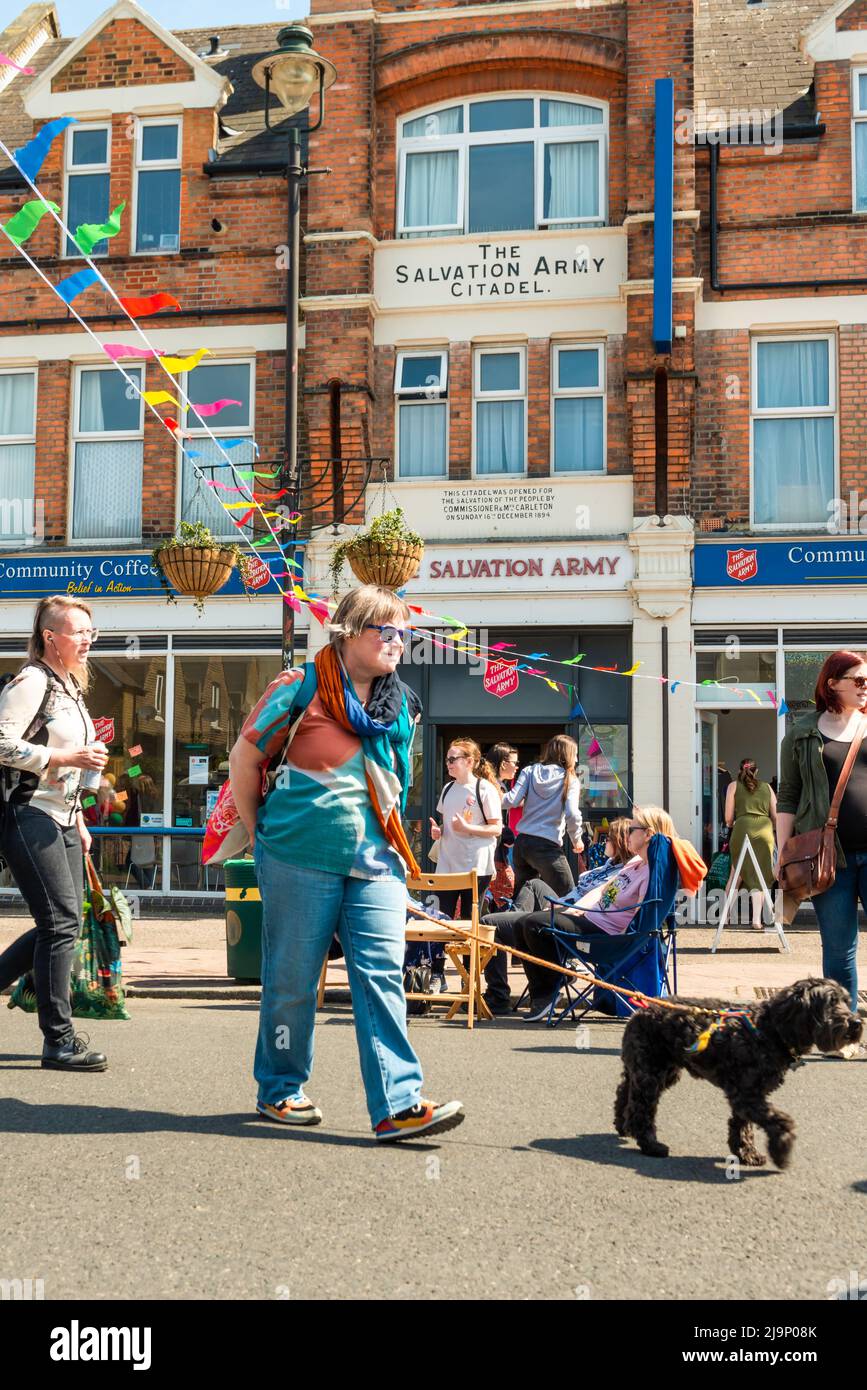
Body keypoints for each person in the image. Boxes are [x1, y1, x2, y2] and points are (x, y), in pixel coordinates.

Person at [229, 584, 465, 1141]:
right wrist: (262, 831)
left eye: (403, 632)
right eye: (385, 630)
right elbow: (245, 756)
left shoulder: (402, 704)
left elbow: (397, 784)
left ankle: (397, 1105)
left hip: (377, 863)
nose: (397, 641)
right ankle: (281, 1089)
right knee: (292, 979)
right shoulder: (298, 687)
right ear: (348, 630)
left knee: (383, 976)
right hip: (296, 857)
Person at [0, 596, 108, 1071]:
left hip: (63, 817)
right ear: (50, 637)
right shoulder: (31, 681)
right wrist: (67, 758)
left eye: (91, 632)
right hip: (27, 813)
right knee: (60, 923)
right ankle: (58, 1042)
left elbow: (72, 768)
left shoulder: (70, 689)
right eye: (78, 632)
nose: (87, 640)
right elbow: (2, 744)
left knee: (63, 923)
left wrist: (81, 818)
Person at [778, 649, 867, 1048]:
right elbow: (789, 795)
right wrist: (784, 852)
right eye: (859, 681)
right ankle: (842, 1034)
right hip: (830, 859)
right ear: (833, 684)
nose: (865, 688)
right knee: (839, 946)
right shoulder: (801, 731)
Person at [511, 807, 673, 1021]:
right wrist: (574, 910)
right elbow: (600, 892)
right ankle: (546, 988)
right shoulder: (634, 863)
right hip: (590, 918)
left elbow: (642, 915)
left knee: (534, 924)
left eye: (632, 829)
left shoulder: (652, 872)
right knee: (523, 922)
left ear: (648, 834)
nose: (627, 834)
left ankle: (547, 991)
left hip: (606, 935)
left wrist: (621, 942)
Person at [481, 816, 633, 1015]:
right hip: (563, 906)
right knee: (534, 884)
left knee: (489, 924)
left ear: (620, 843)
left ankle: (498, 996)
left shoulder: (621, 873)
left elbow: (593, 903)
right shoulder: (607, 866)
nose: (605, 842)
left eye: (609, 839)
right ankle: (516, 919)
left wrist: (558, 909)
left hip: (575, 917)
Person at [501, 733, 582, 899]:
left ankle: (515, 924)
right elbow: (572, 814)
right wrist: (577, 839)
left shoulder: (530, 771)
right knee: (570, 897)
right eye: (575, 754)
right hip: (546, 846)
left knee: (524, 897)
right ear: (568, 755)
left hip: (522, 843)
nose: (577, 759)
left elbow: (511, 800)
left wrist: (482, 796)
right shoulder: (570, 779)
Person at [724, 758, 777, 930]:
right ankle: (756, 920)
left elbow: (728, 819)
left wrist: (732, 823)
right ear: (757, 771)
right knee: (760, 874)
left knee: (736, 873)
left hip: (742, 829)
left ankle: (726, 917)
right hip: (764, 831)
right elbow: (776, 815)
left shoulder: (733, 786)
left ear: (740, 770)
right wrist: (772, 829)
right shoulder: (767, 788)